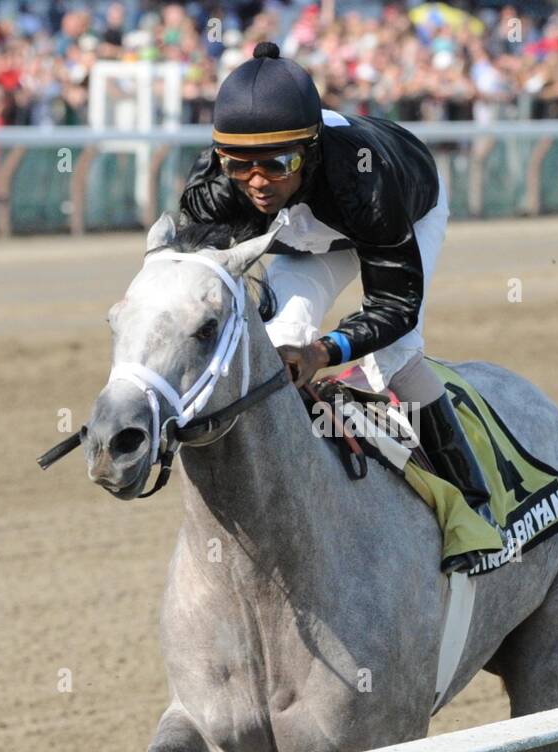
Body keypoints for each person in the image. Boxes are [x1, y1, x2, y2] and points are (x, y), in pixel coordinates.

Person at [177, 42, 497, 573]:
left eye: (277, 164)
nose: (258, 182)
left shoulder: (365, 184)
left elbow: (395, 304)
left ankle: (471, 504)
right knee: (278, 339)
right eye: (240, 166)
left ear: (312, 149)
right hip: (307, 233)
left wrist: (326, 350)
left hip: (400, 211)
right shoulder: (216, 185)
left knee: (393, 353)